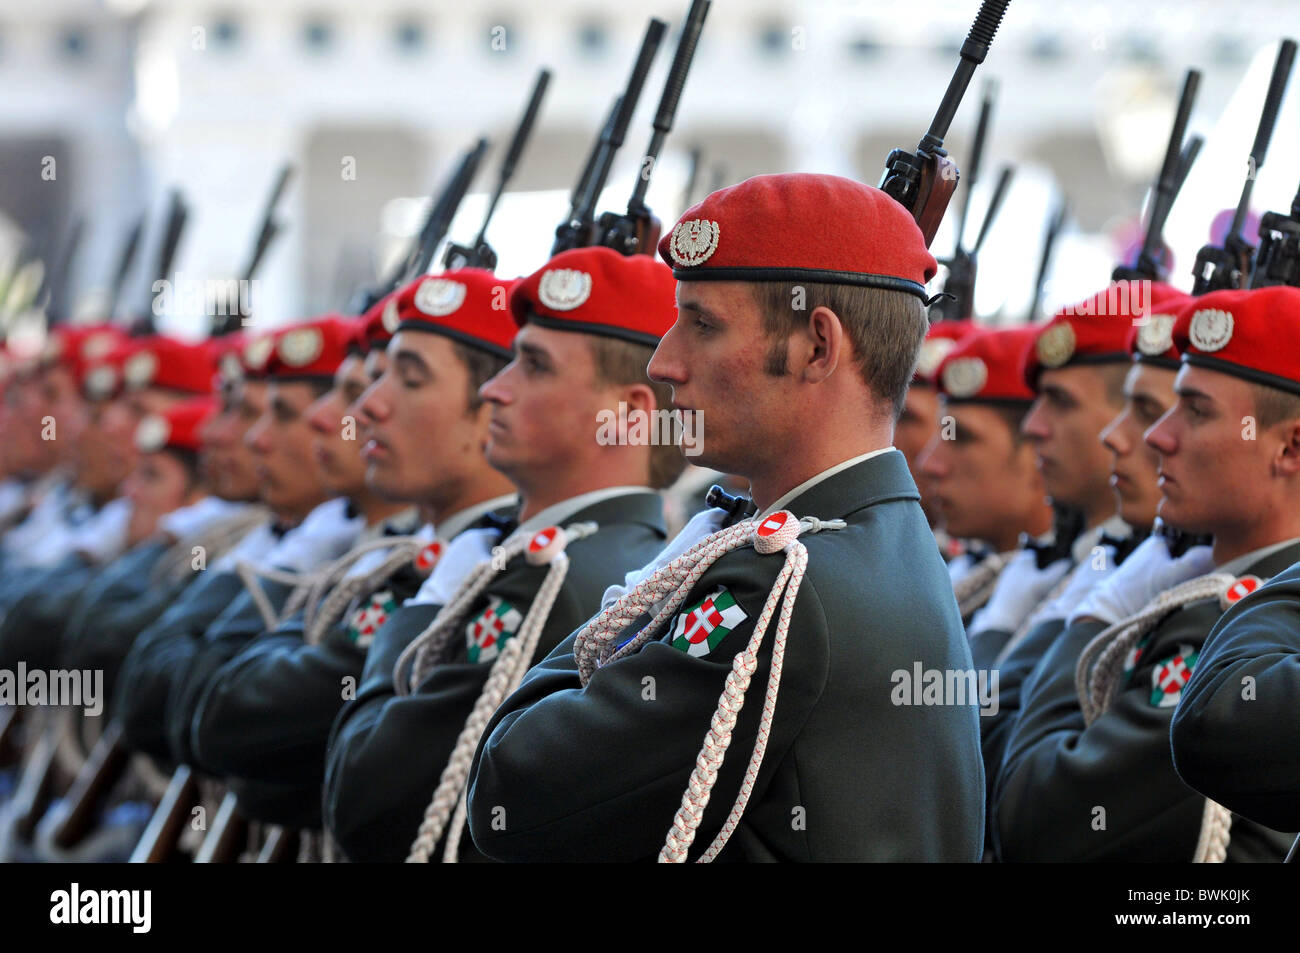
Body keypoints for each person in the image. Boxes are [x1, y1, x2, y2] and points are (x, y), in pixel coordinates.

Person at [466, 173, 985, 862]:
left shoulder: (779, 587)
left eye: (703, 323)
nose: (665, 360)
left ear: (817, 348)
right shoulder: (871, 543)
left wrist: (647, 589)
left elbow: (511, 789)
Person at [323, 248, 679, 862]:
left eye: (533, 366)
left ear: (626, 414)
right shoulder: (591, 560)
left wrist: (421, 606)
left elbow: (366, 797)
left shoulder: (550, 580)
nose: (494, 388)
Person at [184, 272, 518, 837]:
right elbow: (207, 715)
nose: (359, 409)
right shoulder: (398, 553)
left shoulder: (503, 570)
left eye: (405, 379)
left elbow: (235, 719)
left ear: (489, 410)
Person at [993, 286, 1300, 861]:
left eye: (1197, 411)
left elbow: (1031, 818)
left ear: (1289, 447)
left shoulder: (1238, 635)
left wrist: (1090, 618)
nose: (1158, 437)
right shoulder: (1193, 604)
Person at [918, 325, 1051, 622]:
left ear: (1039, 451)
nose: (929, 463)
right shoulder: (956, 573)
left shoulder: (1068, 595)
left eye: (960, 437)